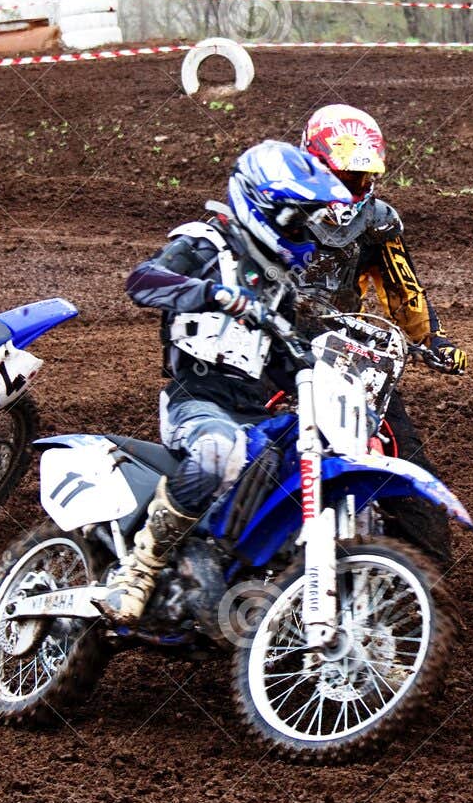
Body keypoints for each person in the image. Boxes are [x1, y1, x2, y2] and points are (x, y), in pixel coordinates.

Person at [100, 140, 354, 623]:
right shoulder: (206, 242)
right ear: (265, 207)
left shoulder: (277, 282)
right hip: (196, 398)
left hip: (252, 409)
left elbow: (279, 359)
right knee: (217, 449)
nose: (306, 231)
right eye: (297, 219)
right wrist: (212, 293)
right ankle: (139, 567)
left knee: (318, 457)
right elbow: (142, 282)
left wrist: (326, 366)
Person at [297, 103, 466, 562]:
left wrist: (432, 339)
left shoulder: (377, 220)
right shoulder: (281, 207)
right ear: (316, 164)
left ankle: (426, 577)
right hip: (277, 348)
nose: (360, 186)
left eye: (366, 177)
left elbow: (401, 286)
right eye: (350, 177)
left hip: (344, 351)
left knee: (402, 452)